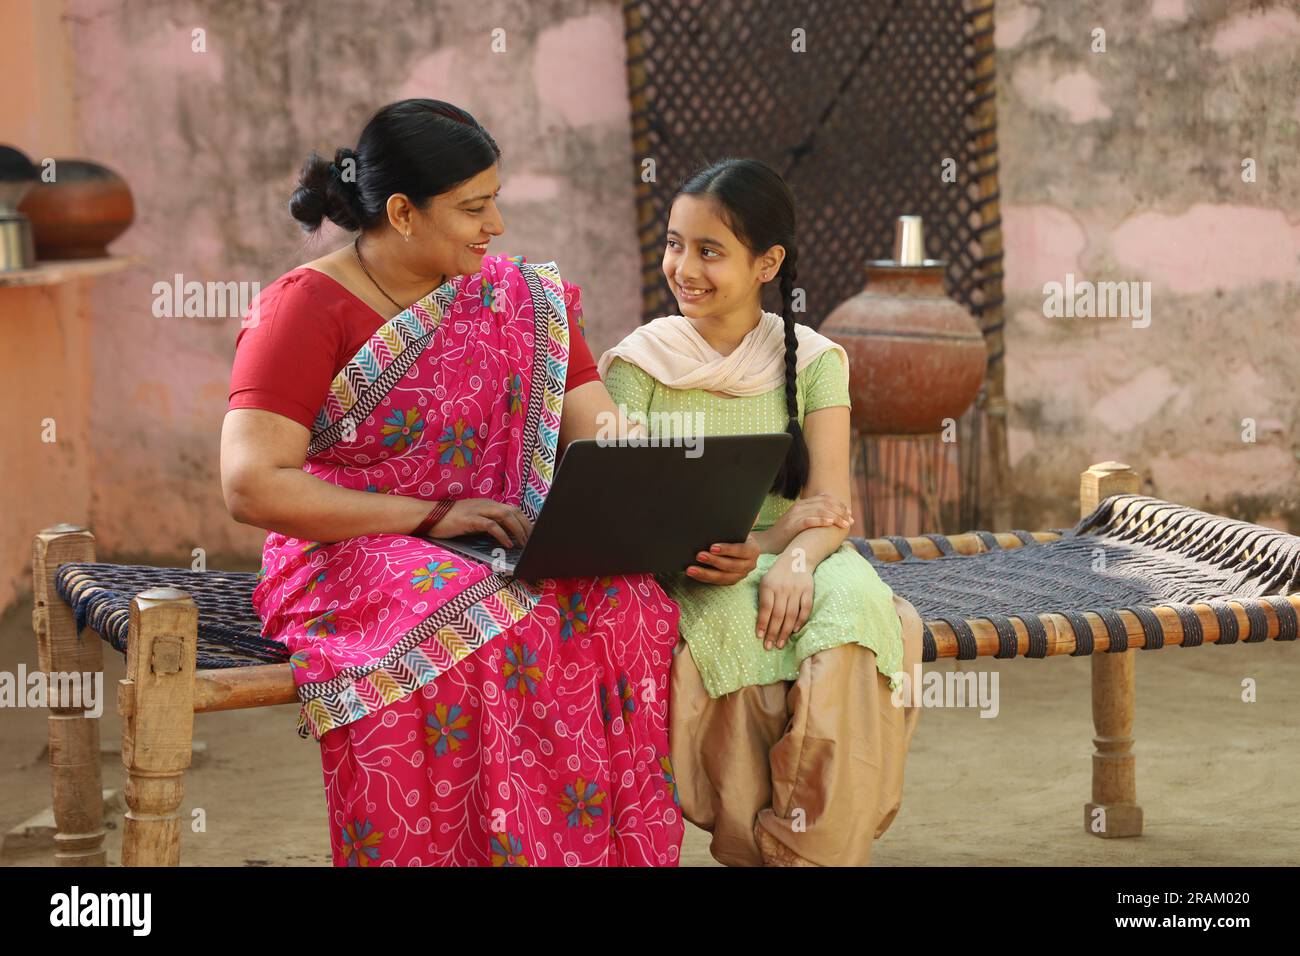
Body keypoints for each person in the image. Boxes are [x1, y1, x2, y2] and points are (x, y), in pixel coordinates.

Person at [220, 99, 682, 866]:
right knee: (484, 614)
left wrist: (687, 502)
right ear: (402, 211)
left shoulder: (522, 302)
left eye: (494, 200)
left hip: (496, 530)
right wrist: (429, 515)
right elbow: (251, 486)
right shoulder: (303, 307)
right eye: (473, 206)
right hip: (351, 546)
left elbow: (607, 439)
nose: (495, 225)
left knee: (625, 601)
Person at [599, 158, 924, 866]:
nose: (683, 267)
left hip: (812, 552)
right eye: (675, 244)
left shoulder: (814, 360)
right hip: (696, 568)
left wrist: (791, 558)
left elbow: (831, 506)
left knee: (857, 633)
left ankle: (805, 853)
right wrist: (749, 555)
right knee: (744, 649)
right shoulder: (638, 363)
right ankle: (771, 851)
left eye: (709, 250)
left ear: (767, 263)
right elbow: (622, 509)